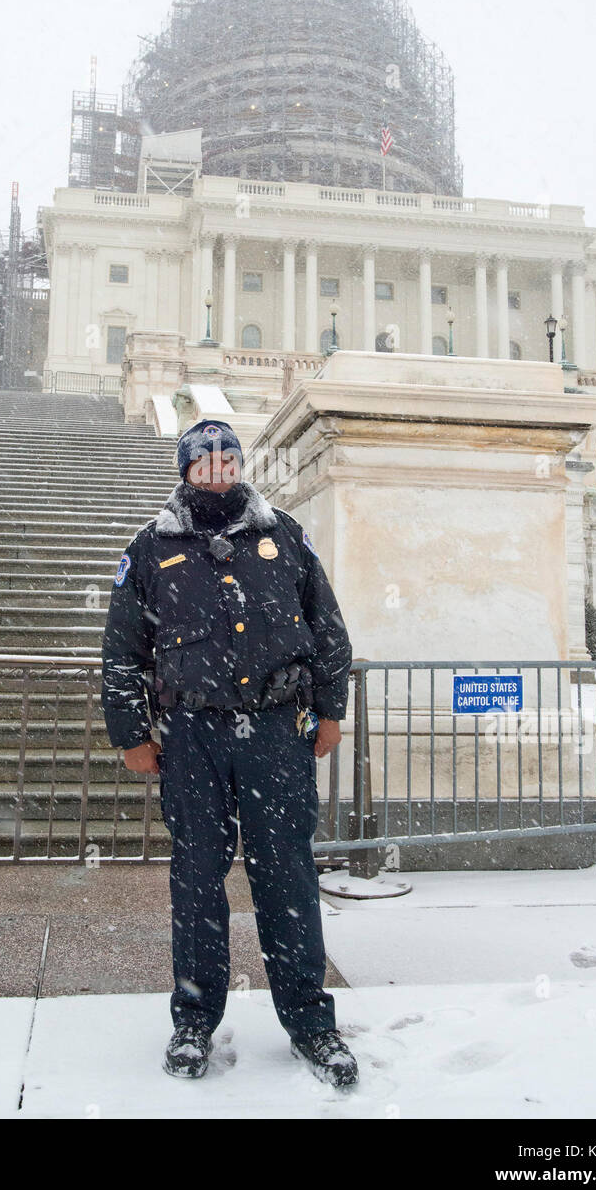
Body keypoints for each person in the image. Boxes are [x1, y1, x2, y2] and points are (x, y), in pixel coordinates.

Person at [101, 418, 358, 1087]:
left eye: (227, 456)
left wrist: (330, 709)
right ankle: (193, 1023)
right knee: (195, 883)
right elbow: (123, 650)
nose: (216, 467)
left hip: (275, 732)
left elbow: (327, 628)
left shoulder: (283, 536)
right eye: (203, 458)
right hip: (192, 737)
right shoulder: (152, 547)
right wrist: (131, 731)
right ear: (185, 468)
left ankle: (311, 1022)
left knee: (288, 881)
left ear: (240, 465)